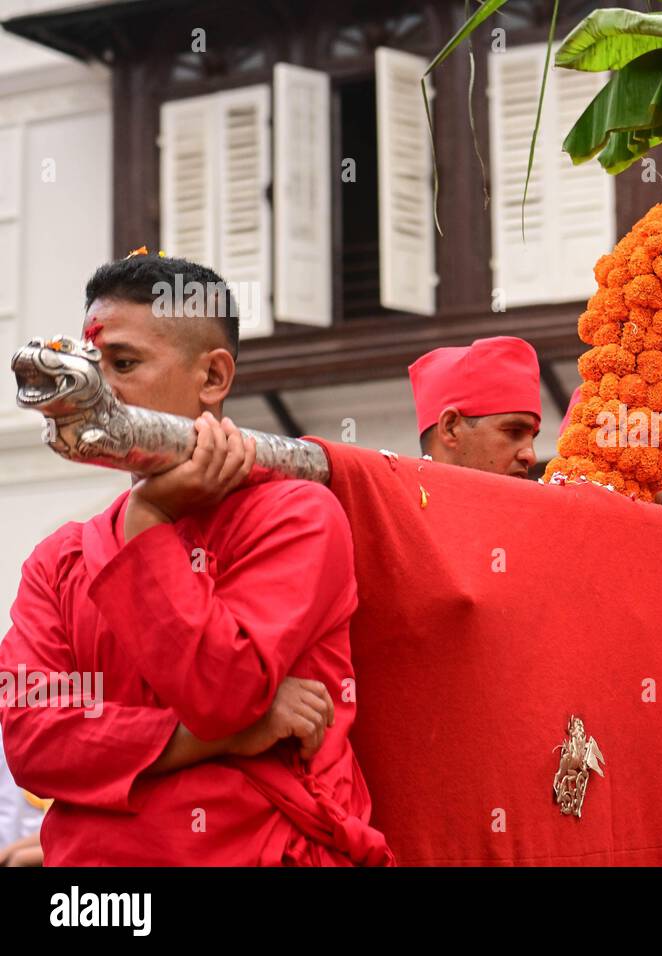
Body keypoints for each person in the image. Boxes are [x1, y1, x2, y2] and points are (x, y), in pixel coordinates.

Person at [0, 251, 391, 865]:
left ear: (213, 378)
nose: (97, 390)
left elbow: (221, 691)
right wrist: (218, 738)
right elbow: (34, 743)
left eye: (123, 364)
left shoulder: (296, 517)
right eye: (91, 365)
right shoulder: (58, 559)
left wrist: (148, 522)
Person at [408, 337, 542, 478]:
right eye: (513, 432)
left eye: (532, 438)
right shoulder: (391, 499)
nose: (531, 456)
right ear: (450, 428)